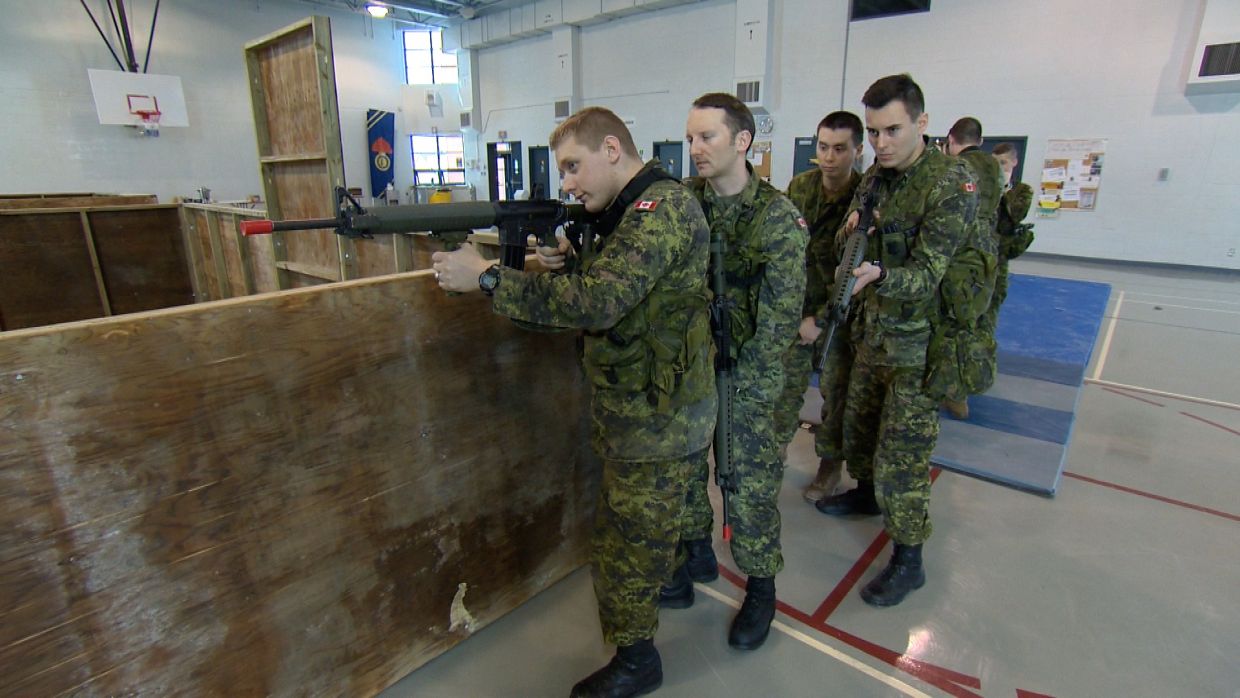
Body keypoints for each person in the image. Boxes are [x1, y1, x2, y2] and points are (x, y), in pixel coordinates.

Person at [432, 106, 716, 698]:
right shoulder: (628, 213)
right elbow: (629, 297)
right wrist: (570, 264)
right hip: (651, 408)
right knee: (655, 528)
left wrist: (488, 277)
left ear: (612, 149)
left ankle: (638, 661)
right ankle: (681, 580)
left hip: (657, 419)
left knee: (621, 546)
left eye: (572, 166)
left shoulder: (659, 209)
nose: (566, 183)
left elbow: (599, 304)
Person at [814, 74, 975, 607]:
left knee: (903, 457)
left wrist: (878, 274)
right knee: (860, 428)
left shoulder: (949, 184)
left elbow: (928, 276)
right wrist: (852, 228)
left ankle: (909, 559)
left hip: (918, 350)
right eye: (873, 131)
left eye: (892, 130)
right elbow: (851, 236)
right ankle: (863, 492)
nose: (880, 143)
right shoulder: (875, 179)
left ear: (922, 124)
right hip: (871, 337)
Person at [660, 93, 806, 651]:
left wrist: (744, 392)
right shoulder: (681, 204)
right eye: (690, 137)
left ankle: (761, 585)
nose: (694, 148)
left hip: (746, 375)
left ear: (741, 141)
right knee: (683, 467)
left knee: (746, 485)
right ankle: (696, 551)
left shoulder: (777, 219)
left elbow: (779, 322)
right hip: (690, 367)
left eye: (707, 137)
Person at [776, 111, 864, 504]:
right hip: (798, 312)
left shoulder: (864, 198)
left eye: (840, 149)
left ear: (857, 151)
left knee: (836, 395)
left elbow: (857, 272)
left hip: (841, 316)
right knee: (784, 389)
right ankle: (773, 453)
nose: (829, 157)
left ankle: (830, 466)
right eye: (823, 147)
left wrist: (823, 318)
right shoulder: (801, 187)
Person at [931, 117, 1004, 420]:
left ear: (951, 139)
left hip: (959, 250)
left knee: (948, 322)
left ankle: (948, 390)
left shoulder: (956, 168)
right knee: (978, 318)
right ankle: (970, 379)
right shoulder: (995, 168)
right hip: (988, 252)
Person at [986, 143, 1036, 329]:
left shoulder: (1021, 191)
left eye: (1003, 163)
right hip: (981, 253)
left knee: (993, 302)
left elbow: (1015, 213)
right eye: (995, 163)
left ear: (1014, 162)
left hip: (1000, 256)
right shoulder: (985, 190)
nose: (999, 167)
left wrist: (1003, 189)